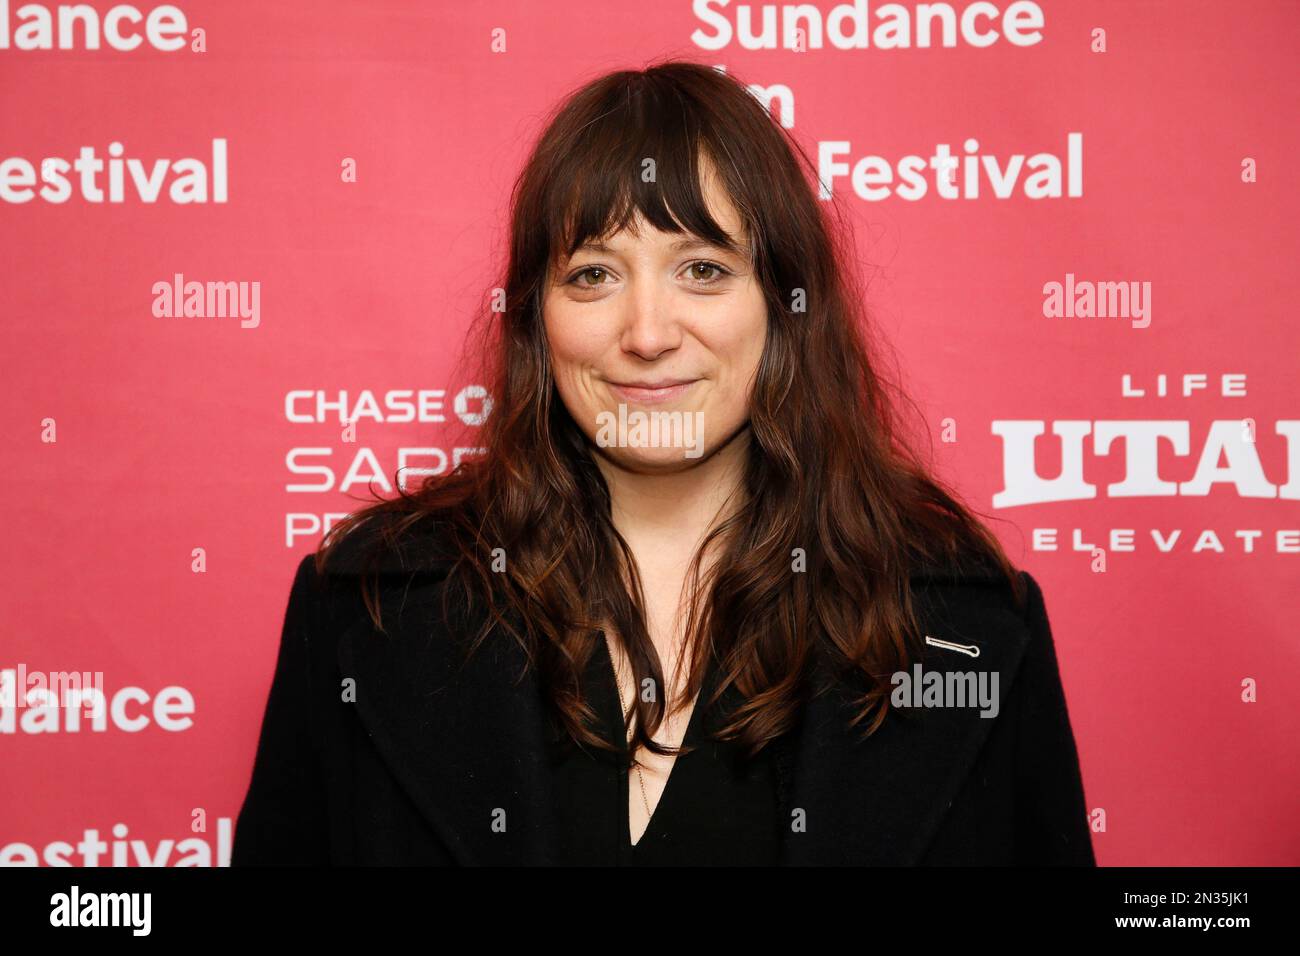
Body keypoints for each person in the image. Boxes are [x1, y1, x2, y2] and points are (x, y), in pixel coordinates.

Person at [232, 60, 1095, 866]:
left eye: (703, 269)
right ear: (537, 318)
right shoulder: (370, 607)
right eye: (594, 274)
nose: (647, 334)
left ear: (787, 308)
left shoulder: (961, 627)